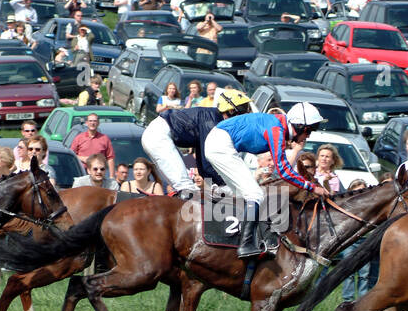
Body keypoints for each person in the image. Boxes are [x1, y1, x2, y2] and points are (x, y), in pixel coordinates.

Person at [206, 102, 330, 258]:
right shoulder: (276, 129)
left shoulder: (279, 124)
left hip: (219, 142)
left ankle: (218, 196)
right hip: (221, 144)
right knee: (255, 194)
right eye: (310, 130)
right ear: (301, 127)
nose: (309, 136)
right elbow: (283, 170)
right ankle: (245, 245)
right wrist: (312, 187)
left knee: (243, 193)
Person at [141, 88, 251, 196]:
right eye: (243, 112)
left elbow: (203, 164)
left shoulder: (212, 119)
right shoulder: (212, 123)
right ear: (231, 110)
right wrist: (223, 184)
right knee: (187, 188)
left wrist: (217, 184)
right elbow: (207, 161)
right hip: (158, 136)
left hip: (158, 134)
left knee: (189, 188)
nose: (244, 118)